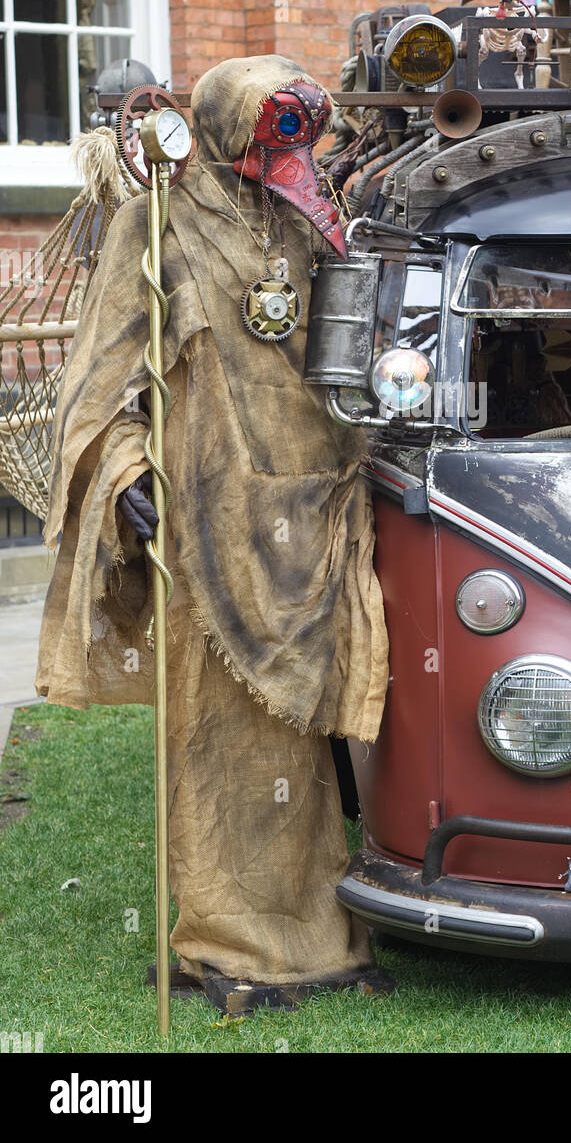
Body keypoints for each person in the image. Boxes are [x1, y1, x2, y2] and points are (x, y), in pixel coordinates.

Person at [35, 55, 390, 1001]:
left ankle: (317, 930)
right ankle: (225, 941)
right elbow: (96, 381)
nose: (285, 151)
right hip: (203, 511)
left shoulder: (302, 224)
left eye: (296, 133)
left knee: (298, 740)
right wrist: (120, 473)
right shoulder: (151, 223)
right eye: (269, 129)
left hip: (306, 510)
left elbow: (342, 356)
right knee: (220, 732)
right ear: (228, 125)